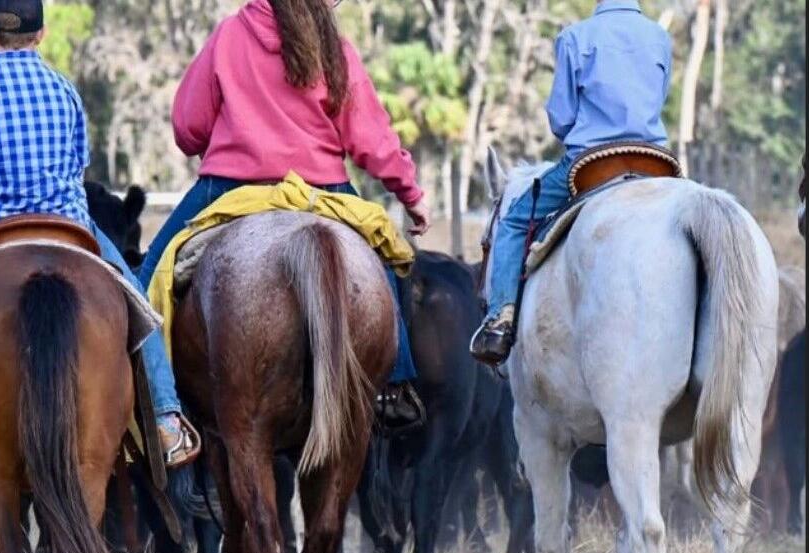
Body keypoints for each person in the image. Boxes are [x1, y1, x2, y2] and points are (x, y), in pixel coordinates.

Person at [0, 0, 198, 483]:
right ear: (41, 36)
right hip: (69, 224)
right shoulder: (65, 90)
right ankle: (165, 420)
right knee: (138, 300)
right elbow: (77, 170)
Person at [137, 0, 433, 416]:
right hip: (322, 187)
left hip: (230, 184)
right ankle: (394, 386)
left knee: (148, 275)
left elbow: (190, 127)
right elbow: (370, 137)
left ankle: (154, 400)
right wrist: (411, 195)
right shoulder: (333, 44)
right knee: (381, 262)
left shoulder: (229, 36)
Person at [470, 0, 673, 364]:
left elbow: (561, 119)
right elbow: (658, 99)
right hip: (654, 162)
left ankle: (500, 320)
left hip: (592, 166)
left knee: (515, 221)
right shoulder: (659, 37)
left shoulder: (575, 37)